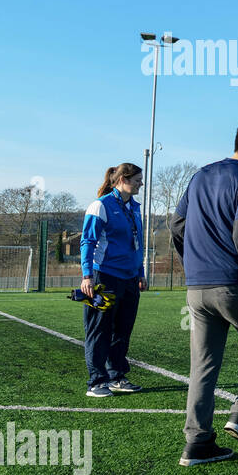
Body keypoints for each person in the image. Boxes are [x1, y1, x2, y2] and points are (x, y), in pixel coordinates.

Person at [170, 118, 238, 466]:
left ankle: (197, 443)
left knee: (202, 365)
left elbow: (176, 226)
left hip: (196, 287)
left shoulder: (200, 174)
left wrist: (195, 263)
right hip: (232, 284)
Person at [79, 163, 147, 397]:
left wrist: (141, 273)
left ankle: (116, 376)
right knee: (99, 329)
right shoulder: (100, 205)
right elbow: (87, 242)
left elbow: (137, 244)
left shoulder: (135, 208)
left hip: (129, 279)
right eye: (137, 179)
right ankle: (96, 381)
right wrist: (86, 276)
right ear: (122, 180)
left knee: (123, 330)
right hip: (103, 276)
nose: (141, 183)